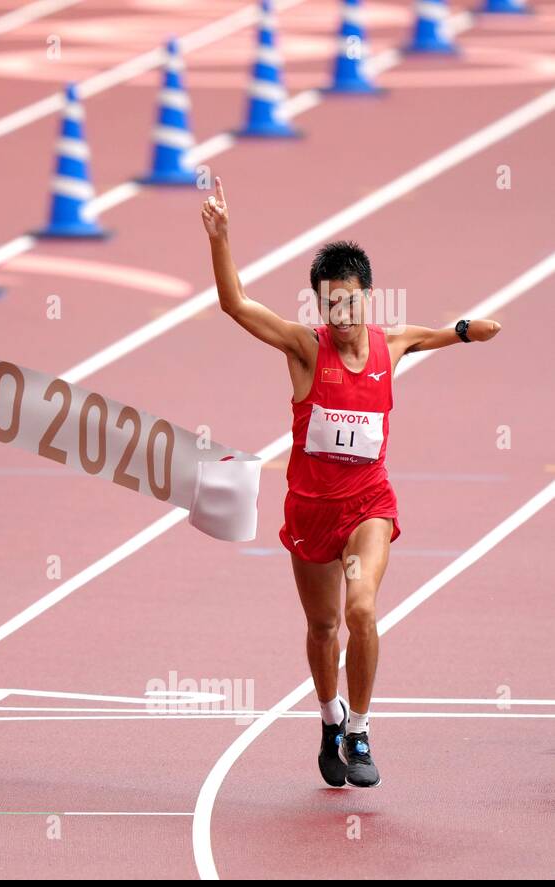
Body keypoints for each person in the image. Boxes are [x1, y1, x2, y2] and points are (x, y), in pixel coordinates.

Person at [201, 177, 500, 787]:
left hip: (367, 506)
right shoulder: (305, 351)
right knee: (322, 627)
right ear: (319, 306)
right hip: (310, 510)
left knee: (361, 610)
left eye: (351, 302)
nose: (340, 316)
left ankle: (360, 730)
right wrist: (222, 239)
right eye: (328, 305)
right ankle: (330, 717)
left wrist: (471, 329)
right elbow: (235, 305)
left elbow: (447, 333)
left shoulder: (394, 345)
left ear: (369, 298)